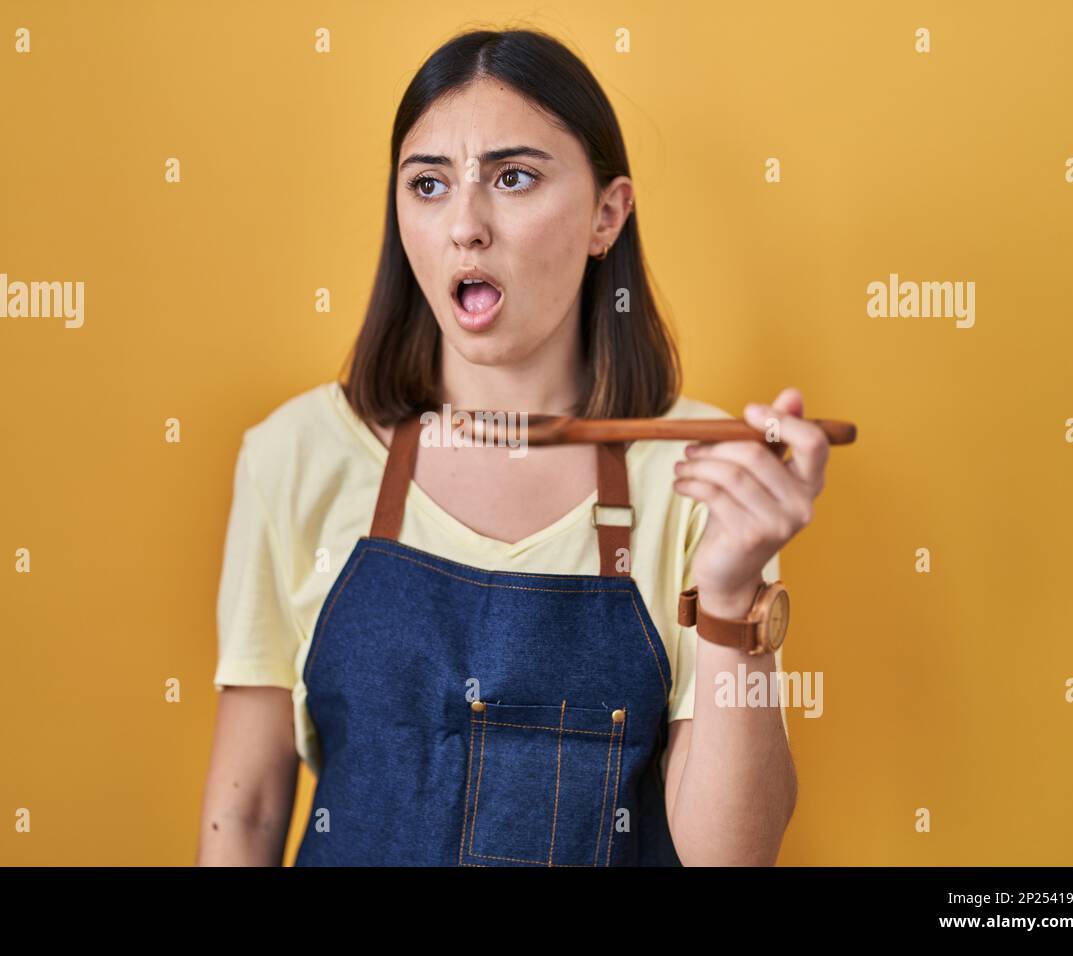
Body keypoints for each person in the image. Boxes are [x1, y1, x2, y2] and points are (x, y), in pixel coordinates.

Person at [196, 28, 828, 867]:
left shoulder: (703, 483)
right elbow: (244, 819)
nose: (465, 224)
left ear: (608, 215)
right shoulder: (295, 456)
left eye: (514, 177)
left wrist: (732, 589)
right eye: (428, 184)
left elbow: (729, 858)